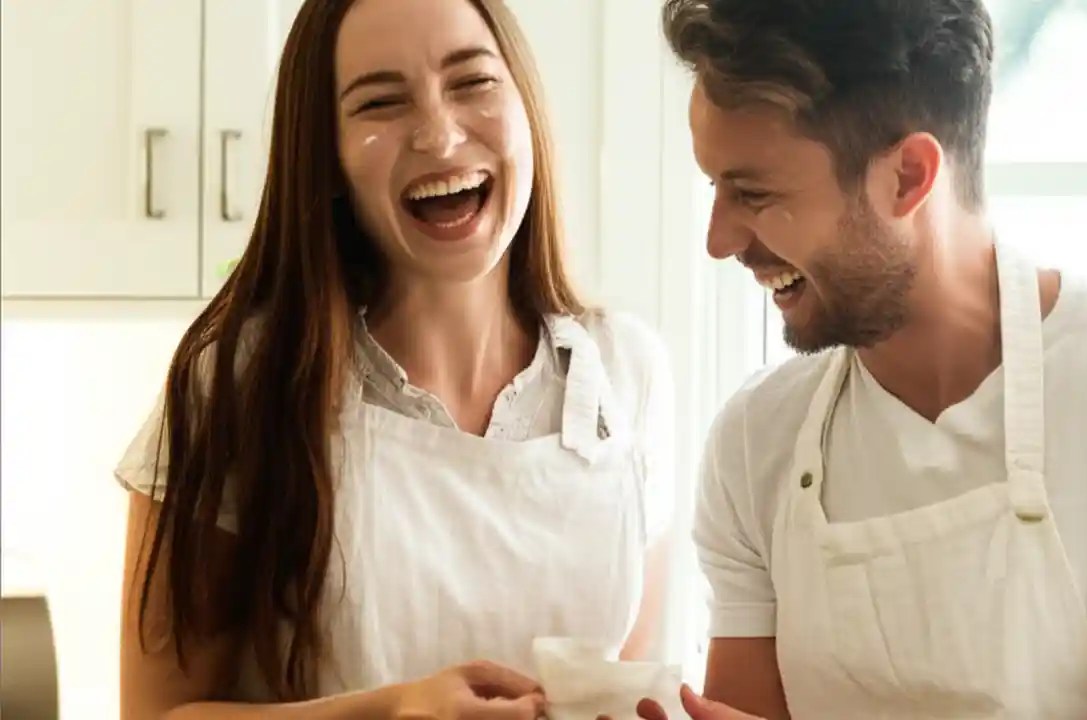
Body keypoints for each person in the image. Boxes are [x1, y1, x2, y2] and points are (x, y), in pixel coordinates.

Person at [640, 0, 1087, 718]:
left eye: (753, 193)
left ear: (908, 177)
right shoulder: (756, 441)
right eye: (713, 187)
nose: (719, 241)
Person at [114, 0, 673, 717]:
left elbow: (625, 687)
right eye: (380, 102)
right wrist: (390, 710)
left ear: (526, 106)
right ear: (329, 158)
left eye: (472, 83)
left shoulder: (628, 375)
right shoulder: (238, 385)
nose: (440, 136)